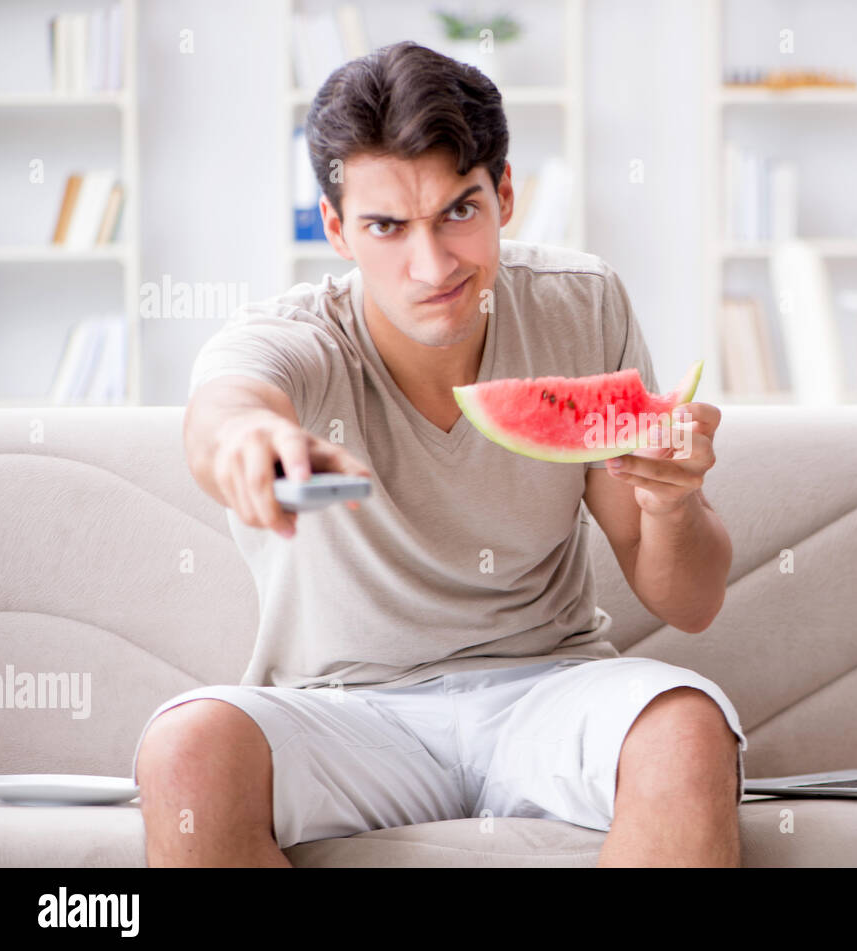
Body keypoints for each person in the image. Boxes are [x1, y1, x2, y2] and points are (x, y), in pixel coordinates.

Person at [133, 41, 745, 868]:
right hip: (347, 712)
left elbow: (693, 602)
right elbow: (227, 407)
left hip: (548, 687)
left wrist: (674, 504)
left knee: (686, 727)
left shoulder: (584, 304)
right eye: (387, 226)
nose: (432, 266)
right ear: (337, 227)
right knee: (186, 748)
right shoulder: (297, 336)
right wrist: (250, 444)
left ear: (505, 195)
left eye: (459, 211)